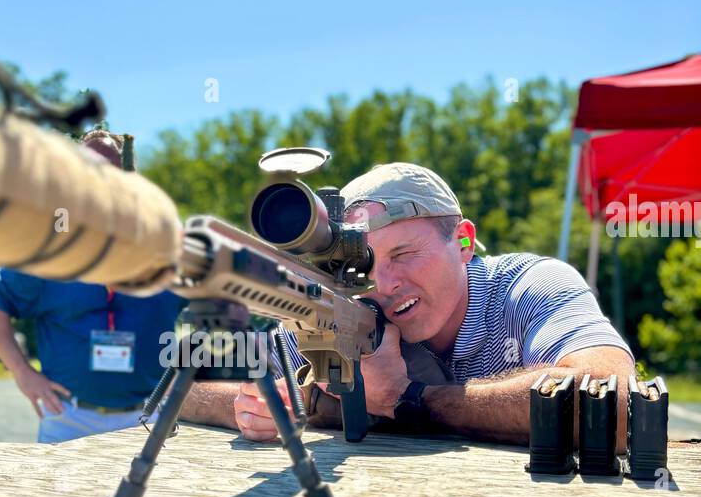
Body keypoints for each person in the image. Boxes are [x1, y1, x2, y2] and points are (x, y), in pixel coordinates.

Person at [178, 161, 635, 446]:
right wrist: (282, 402)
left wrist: (408, 400)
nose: (384, 283)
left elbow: (610, 400)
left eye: (403, 254)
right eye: (366, 264)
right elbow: (185, 393)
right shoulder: (341, 311)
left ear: (463, 241)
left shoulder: (525, 286)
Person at [0, 130, 185, 444]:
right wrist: (22, 372)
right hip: (70, 420)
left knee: (152, 494)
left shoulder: (165, 248)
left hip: (149, 419)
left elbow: (218, 301)